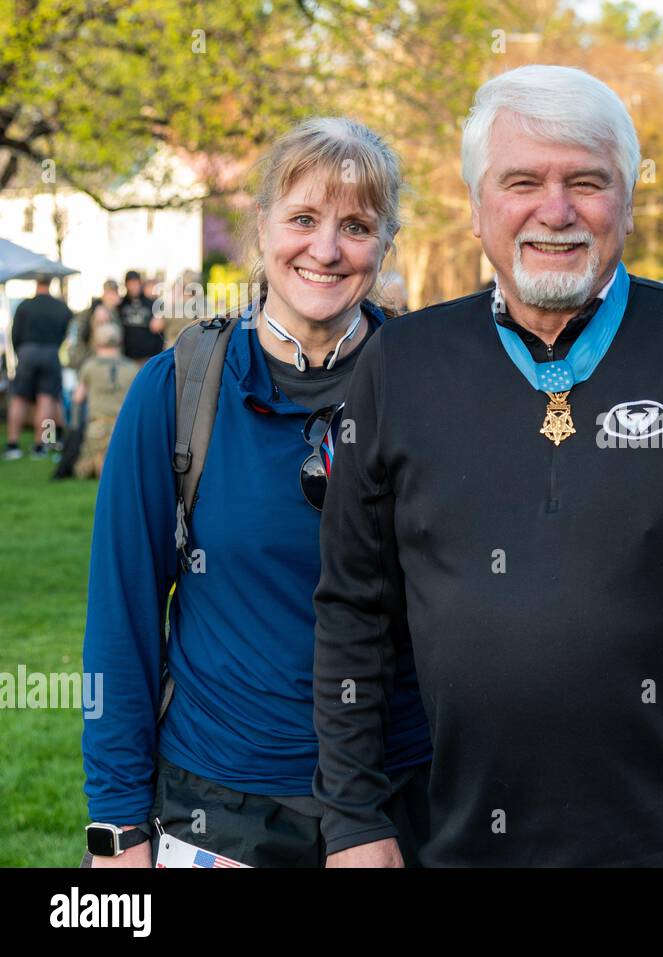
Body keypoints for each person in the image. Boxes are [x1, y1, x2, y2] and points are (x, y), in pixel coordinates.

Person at [312, 65, 663, 867]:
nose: (555, 210)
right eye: (522, 180)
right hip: (465, 845)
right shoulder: (401, 365)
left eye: (587, 182)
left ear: (626, 200)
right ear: (476, 207)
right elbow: (353, 608)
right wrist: (354, 818)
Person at [81, 117, 433, 868]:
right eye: (303, 218)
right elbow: (123, 616)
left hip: (399, 794)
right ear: (262, 226)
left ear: (386, 245)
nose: (327, 249)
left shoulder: (432, 389)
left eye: (358, 226)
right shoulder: (176, 389)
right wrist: (116, 825)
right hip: (222, 803)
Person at [5, 275, 72, 460]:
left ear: (37, 284)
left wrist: (21, 352)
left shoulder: (25, 305)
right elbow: (64, 334)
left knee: (19, 398)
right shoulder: (61, 307)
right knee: (46, 399)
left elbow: (15, 333)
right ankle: (41, 445)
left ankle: (13, 444)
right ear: (51, 284)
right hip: (51, 352)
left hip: (27, 352)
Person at [71, 322, 138, 479]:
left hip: (97, 429)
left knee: (84, 468)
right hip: (124, 428)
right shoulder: (132, 367)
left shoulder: (89, 366)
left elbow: (77, 398)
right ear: (120, 340)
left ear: (96, 341)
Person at [118, 269, 165, 362]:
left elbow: (160, 328)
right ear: (126, 285)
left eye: (135, 283)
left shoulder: (152, 304)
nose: (133, 287)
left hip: (148, 358)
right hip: (126, 358)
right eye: (130, 284)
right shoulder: (121, 304)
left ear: (140, 284)